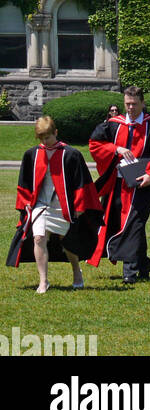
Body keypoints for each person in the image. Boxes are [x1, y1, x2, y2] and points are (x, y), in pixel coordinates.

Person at [88, 85, 150, 285]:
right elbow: (95, 144)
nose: (130, 108)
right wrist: (115, 148)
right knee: (124, 224)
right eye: (127, 104)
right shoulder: (113, 124)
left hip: (144, 184)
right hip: (118, 183)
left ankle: (129, 271)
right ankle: (144, 263)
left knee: (134, 223)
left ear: (143, 103)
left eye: (134, 104)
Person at [7, 116, 102, 292]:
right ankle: (43, 281)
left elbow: (82, 182)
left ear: (56, 133)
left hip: (64, 206)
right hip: (40, 205)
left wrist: (79, 207)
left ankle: (76, 271)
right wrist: (26, 202)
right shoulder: (32, 154)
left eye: (48, 137)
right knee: (39, 237)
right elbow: (25, 182)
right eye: (42, 138)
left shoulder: (71, 154)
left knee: (68, 242)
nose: (45, 142)